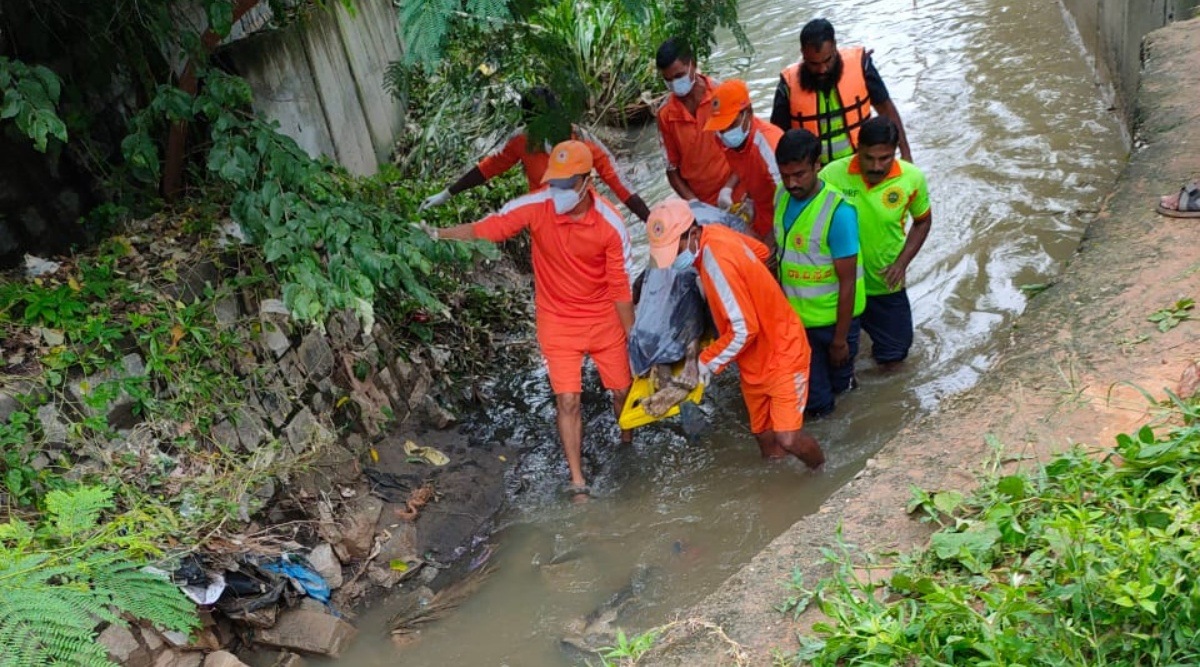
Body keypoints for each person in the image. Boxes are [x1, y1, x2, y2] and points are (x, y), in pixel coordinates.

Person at [430, 140, 635, 499]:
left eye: (565, 184)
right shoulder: (536, 205)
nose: (555, 192)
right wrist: (436, 235)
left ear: (587, 181)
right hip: (557, 319)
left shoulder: (611, 225)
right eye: (552, 182)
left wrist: (635, 338)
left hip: (603, 316)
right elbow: (487, 229)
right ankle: (578, 482)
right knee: (568, 400)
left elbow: (620, 290)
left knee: (621, 391)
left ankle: (628, 444)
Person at [646, 198, 824, 467]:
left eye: (675, 248)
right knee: (764, 438)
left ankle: (822, 472)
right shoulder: (715, 232)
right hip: (753, 359)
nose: (672, 258)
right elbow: (762, 253)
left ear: (693, 234)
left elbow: (744, 330)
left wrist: (703, 363)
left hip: (782, 351)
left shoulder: (717, 259)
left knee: (787, 438)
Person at [421, 87, 650, 222]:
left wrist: (651, 222)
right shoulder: (522, 141)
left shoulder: (583, 140)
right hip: (546, 224)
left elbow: (620, 183)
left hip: (585, 221)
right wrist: (446, 194)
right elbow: (487, 169)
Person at [820, 117, 931, 369]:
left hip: (884, 282)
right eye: (869, 158)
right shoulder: (831, 175)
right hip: (840, 287)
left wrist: (902, 263)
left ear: (895, 153)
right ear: (857, 149)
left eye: (885, 158)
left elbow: (922, 222)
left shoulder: (912, 178)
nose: (876, 166)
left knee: (895, 356)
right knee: (837, 362)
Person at [773, 129, 864, 418]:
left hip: (833, 322)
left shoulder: (838, 213)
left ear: (817, 166)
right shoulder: (782, 196)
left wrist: (839, 341)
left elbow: (848, 281)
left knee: (842, 387)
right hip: (797, 323)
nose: (791, 183)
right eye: (785, 175)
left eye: (799, 174)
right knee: (816, 404)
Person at [770, 19, 912, 166]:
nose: (822, 69)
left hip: (860, 166)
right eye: (814, 64)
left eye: (827, 60)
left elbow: (887, 110)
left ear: (835, 47)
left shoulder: (862, 66)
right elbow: (777, 137)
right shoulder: (787, 86)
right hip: (816, 175)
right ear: (803, 54)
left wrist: (906, 154)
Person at [654, 37, 742, 207]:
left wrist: (728, 188)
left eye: (679, 76)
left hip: (738, 188)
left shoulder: (721, 93)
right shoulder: (665, 116)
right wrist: (694, 204)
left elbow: (745, 146)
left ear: (692, 64)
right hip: (703, 203)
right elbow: (672, 169)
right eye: (668, 80)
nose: (674, 84)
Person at [703, 78, 784, 243]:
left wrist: (771, 241)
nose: (725, 132)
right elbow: (743, 165)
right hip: (760, 214)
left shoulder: (768, 145)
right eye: (721, 127)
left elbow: (790, 196)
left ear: (748, 112)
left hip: (782, 218)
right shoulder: (725, 139)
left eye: (731, 125)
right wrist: (728, 188)